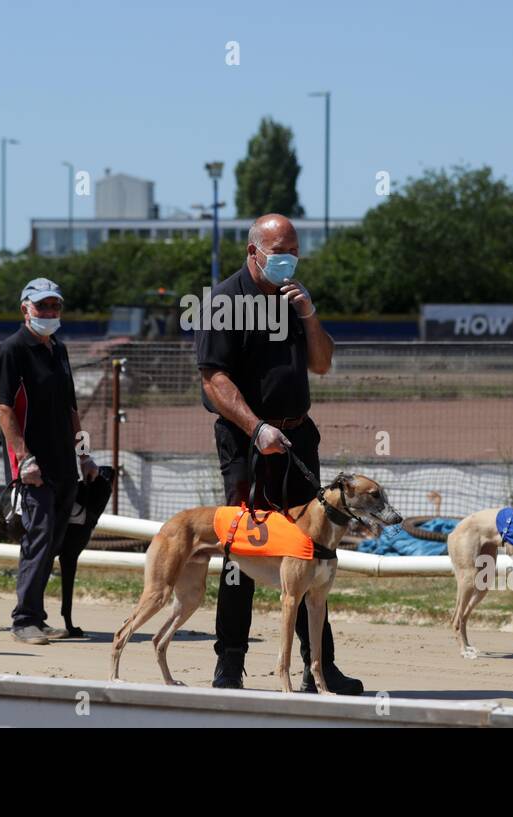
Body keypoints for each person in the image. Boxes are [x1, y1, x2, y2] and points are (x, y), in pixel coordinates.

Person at [193, 214, 363, 694]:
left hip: (298, 440)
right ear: (253, 252)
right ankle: (229, 662)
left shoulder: (294, 299)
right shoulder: (222, 302)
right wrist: (256, 426)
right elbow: (213, 379)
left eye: (293, 250)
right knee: (241, 549)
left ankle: (320, 668)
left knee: (313, 548)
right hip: (247, 443)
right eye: (277, 251)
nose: (287, 258)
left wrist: (309, 314)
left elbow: (322, 363)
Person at [0, 277, 97, 645]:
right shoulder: (12, 350)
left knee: (54, 539)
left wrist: (84, 454)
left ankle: (38, 615)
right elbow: (3, 409)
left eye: (54, 306)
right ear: (25, 309)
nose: (49, 312)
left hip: (65, 461)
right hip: (33, 466)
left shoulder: (58, 349)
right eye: (42, 306)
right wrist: (23, 459)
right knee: (39, 535)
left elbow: (70, 408)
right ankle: (24, 620)